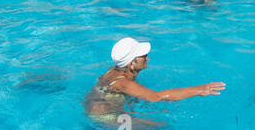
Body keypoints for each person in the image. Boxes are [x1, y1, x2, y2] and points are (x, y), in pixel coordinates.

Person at [84, 37, 224, 125]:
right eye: (143, 56)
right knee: (158, 127)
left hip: (93, 106)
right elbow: (157, 97)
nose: (147, 58)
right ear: (132, 63)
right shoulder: (124, 83)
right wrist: (200, 89)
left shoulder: (117, 70)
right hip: (104, 116)